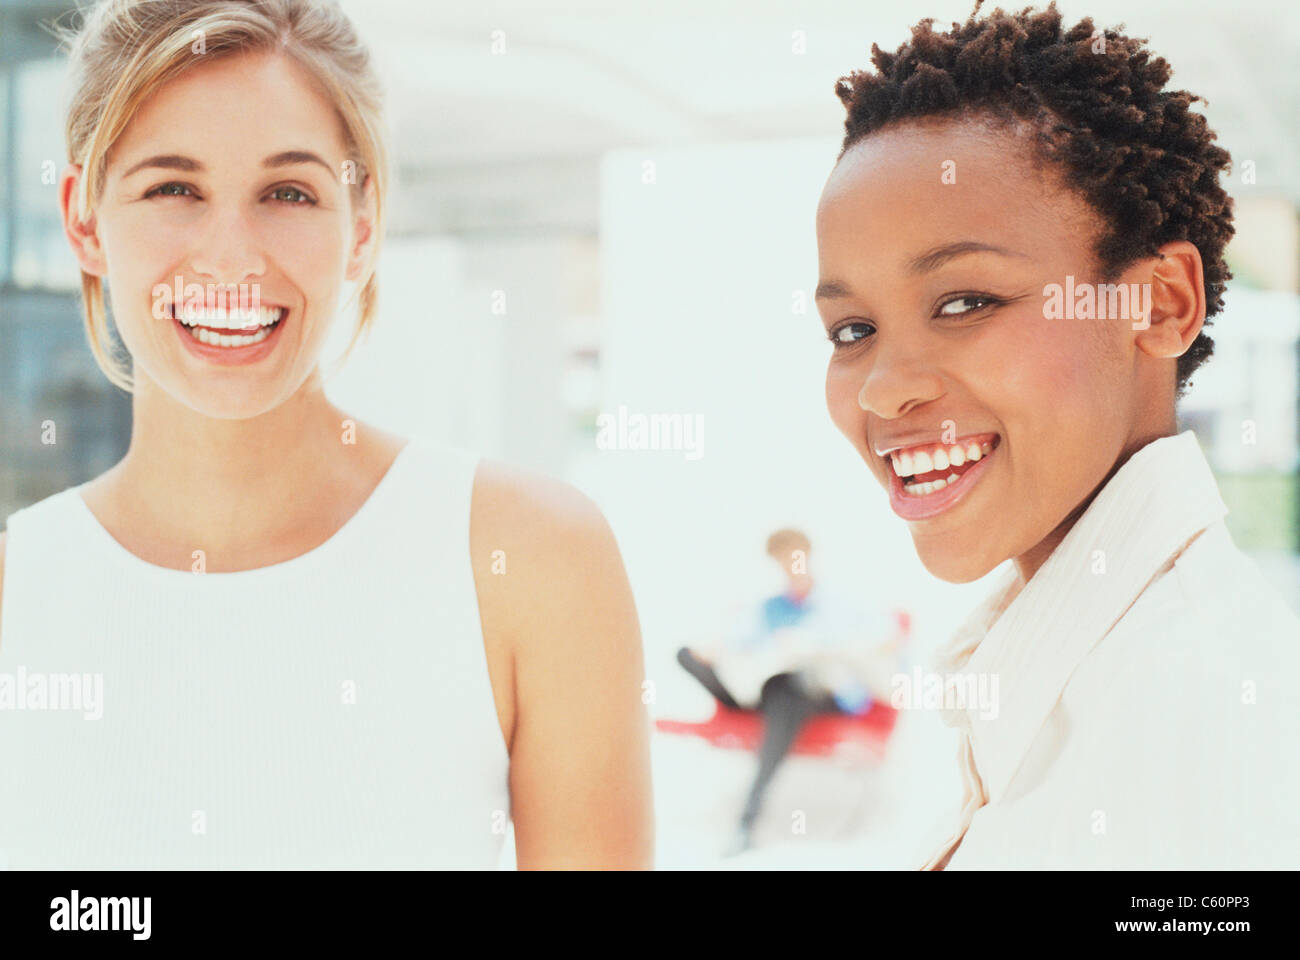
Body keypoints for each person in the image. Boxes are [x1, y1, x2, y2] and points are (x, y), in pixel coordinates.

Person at [0, 0, 652, 869]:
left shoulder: (531, 559)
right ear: (83, 219)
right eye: (173, 188)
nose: (232, 260)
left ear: (362, 226)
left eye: (288, 193)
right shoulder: (17, 593)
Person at [815, 0, 1300, 868]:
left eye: (965, 302)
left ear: (1160, 303)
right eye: (853, 330)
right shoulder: (1070, 678)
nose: (885, 389)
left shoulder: (1211, 723)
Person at [677, 529, 901, 853]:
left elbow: (886, 641)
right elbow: (738, 643)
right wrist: (716, 651)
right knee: (756, 679)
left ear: (808, 553)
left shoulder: (841, 602)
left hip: (827, 693)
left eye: (793, 555)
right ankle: (742, 702)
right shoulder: (769, 609)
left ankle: (747, 820)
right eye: (781, 559)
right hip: (771, 689)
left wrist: (821, 648)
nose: (789, 564)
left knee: (788, 689)